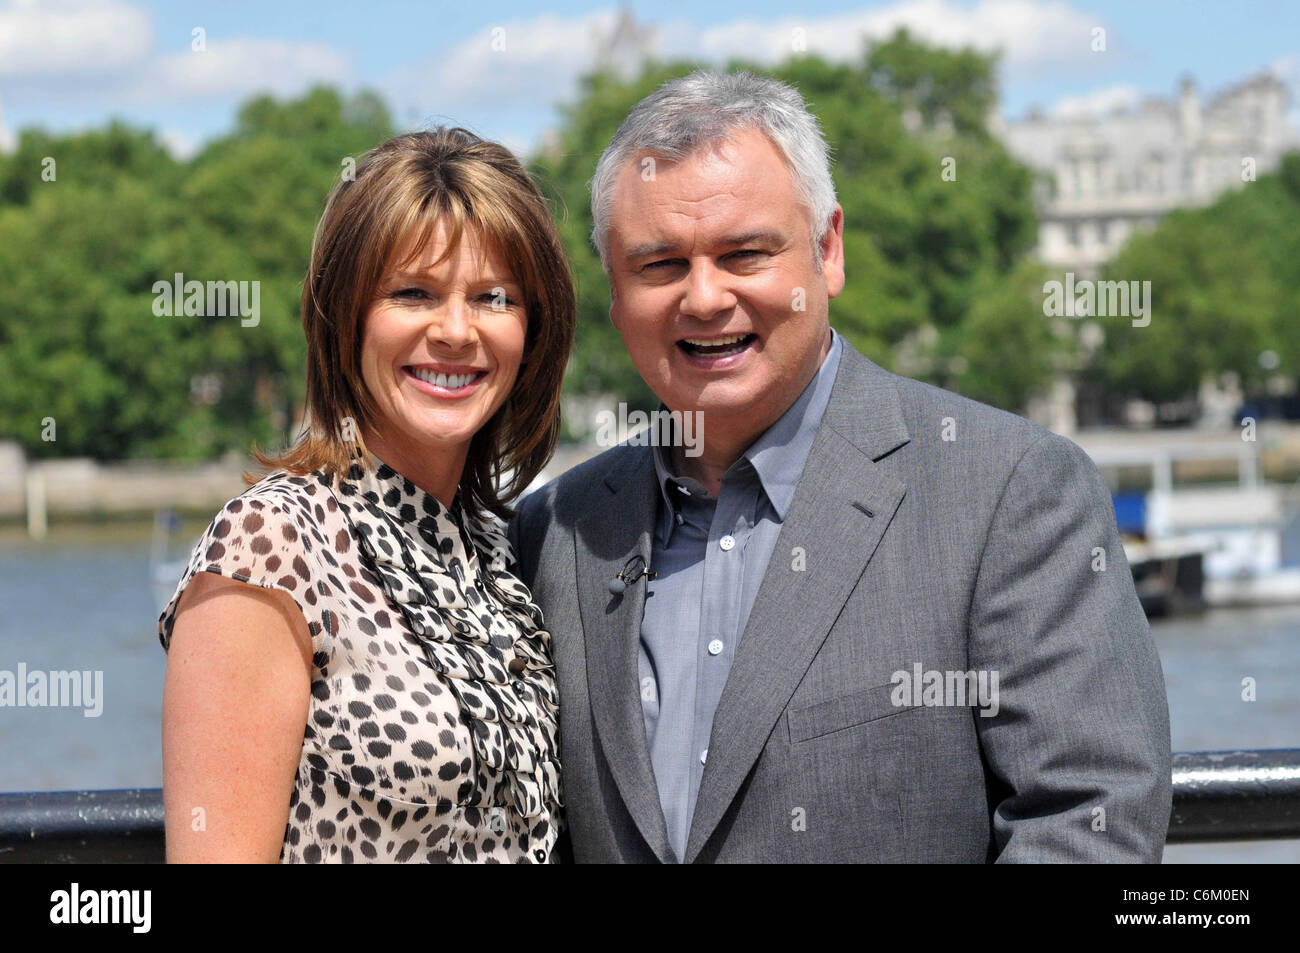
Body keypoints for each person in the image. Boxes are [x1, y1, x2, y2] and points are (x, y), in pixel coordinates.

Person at [510, 71, 1173, 863]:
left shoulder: (1009, 493)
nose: (705, 297)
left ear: (827, 251)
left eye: (744, 252)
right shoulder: (554, 531)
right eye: (660, 264)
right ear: (614, 293)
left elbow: (1090, 821)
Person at [159, 127, 575, 863]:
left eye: (492, 298)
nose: (455, 330)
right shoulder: (272, 544)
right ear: (345, 317)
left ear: (532, 330)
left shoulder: (495, 552)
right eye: (413, 292)